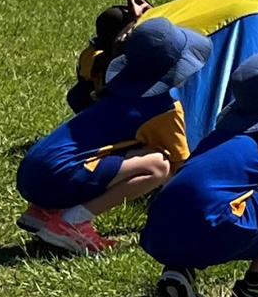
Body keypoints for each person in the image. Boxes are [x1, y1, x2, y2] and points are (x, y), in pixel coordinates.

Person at [142, 51, 258, 297]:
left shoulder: (216, 138)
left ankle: (177, 273)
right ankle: (255, 284)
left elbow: (212, 201)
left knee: (207, 200)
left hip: (160, 231)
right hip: (218, 228)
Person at [16, 18, 206, 257]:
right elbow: (179, 167)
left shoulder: (114, 86)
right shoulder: (164, 109)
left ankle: (46, 211)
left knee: (112, 153)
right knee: (159, 165)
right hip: (59, 179)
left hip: (32, 173)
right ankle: (72, 223)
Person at [69, 0, 152, 113]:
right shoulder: (99, 58)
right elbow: (118, 51)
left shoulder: (94, 51)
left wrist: (142, 3)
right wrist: (134, 22)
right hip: (112, 113)